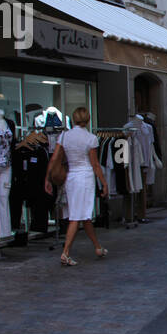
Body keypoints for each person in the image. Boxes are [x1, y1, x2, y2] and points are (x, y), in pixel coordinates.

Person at [48, 106, 108, 266]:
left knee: (83, 215)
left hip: (71, 177)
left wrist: (47, 178)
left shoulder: (64, 136)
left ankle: (97, 247)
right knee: (77, 215)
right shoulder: (90, 138)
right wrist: (104, 183)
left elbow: (54, 159)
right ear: (87, 119)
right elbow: (95, 164)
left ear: (74, 119)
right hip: (85, 176)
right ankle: (65, 252)